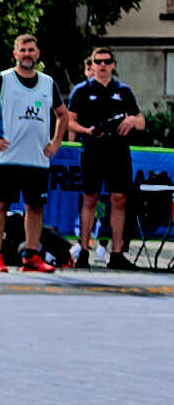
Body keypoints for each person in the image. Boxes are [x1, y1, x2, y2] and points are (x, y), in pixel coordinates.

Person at [0, 34, 69, 273]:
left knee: (35, 208)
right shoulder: (3, 80)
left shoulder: (47, 83)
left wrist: (56, 143)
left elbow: (63, 114)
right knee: (0, 206)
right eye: (22, 50)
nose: (27, 54)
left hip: (37, 160)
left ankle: (31, 256)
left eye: (31, 50)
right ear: (15, 54)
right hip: (8, 158)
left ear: (37, 53)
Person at [68, 47, 144, 270]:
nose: (102, 65)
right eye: (98, 61)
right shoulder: (81, 91)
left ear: (113, 64)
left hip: (118, 152)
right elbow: (68, 121)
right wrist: (86, 130)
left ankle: (117, 253)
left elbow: (141, 121)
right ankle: (83, 250)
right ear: (92, 64)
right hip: (92, 151)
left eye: (106, 61)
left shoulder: (123, 91)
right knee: (90, 199)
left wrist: (132, 121)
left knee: (118, 200)